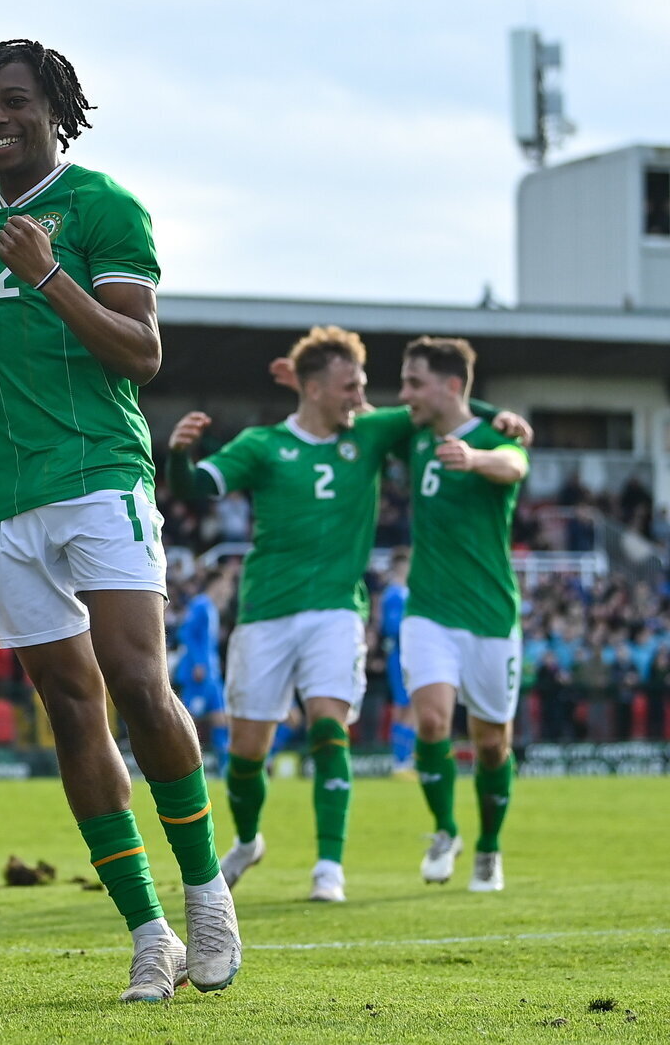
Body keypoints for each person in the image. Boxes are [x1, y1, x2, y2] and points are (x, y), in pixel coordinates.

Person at [0, 38, 238, 1002]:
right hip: (7, 500)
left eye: (15, 101)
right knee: (70, 707)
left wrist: (51, 274)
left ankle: (206, 897)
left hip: (100, 474)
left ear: (58, 110)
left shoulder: (103, 204)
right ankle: (148, 932)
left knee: (140, 682)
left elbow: (141, 354)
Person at [165, 329, 531, 902]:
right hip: (265, 611)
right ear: (312, 389)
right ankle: (248, 839)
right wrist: (179, 452)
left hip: (338, 609)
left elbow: (444, 403)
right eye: (352, 386)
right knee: (246, 751)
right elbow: (195, 486)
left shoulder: (372, 432)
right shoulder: (263, 445)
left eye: (364, 387)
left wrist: (496, 414)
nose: (365, 398)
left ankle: (329, 868)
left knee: (329, 725)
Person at [397, 337, 529, 892]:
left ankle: (490, 848)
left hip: (491, 615)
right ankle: (445, 829)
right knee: (431, 720)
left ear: (452, 385)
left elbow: (515, 465)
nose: (405, 395)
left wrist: (475, 458)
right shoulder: (412, 434)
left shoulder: (495, 435)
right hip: (428, 607)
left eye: (414, 383)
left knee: (493, 741)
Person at [175, 568, 230, 761]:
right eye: (225, 584)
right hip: (199, 673)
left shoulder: (211, 607)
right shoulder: (200, 604)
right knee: (190, 716)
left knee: (221, 717)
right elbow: (186, 633)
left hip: (212, 674)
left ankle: (225, 769)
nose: (228, 589)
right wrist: (198, 663)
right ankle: (177, 758)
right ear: (216, 584)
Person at [380, 550, 417, 777]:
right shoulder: (393, 594)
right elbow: (390, 628)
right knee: (404, 707)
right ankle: (400, 761)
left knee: (411, 706)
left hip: (411, 655)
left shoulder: (407, 592)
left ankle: (405, 760)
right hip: (400, 656)